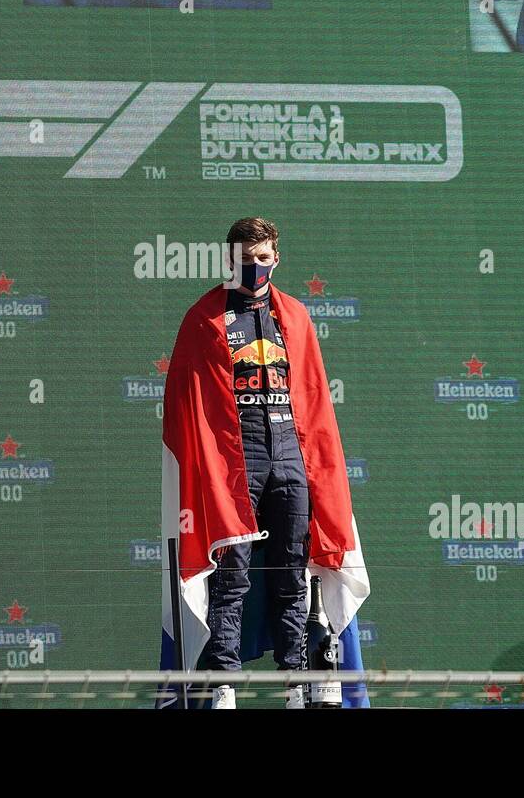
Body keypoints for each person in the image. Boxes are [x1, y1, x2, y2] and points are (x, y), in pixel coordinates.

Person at [161, 217, 368, 709]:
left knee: (292, 575)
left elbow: (314, 400)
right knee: (230, 577)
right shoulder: (204, 318)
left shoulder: (294, 315)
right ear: (226, 259)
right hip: (235, 459)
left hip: (290, 455)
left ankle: (297, 682)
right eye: (242, 259)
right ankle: (223, 685)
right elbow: (184, 406)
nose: (251, 267)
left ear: (276, 259)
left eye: (261, 258)